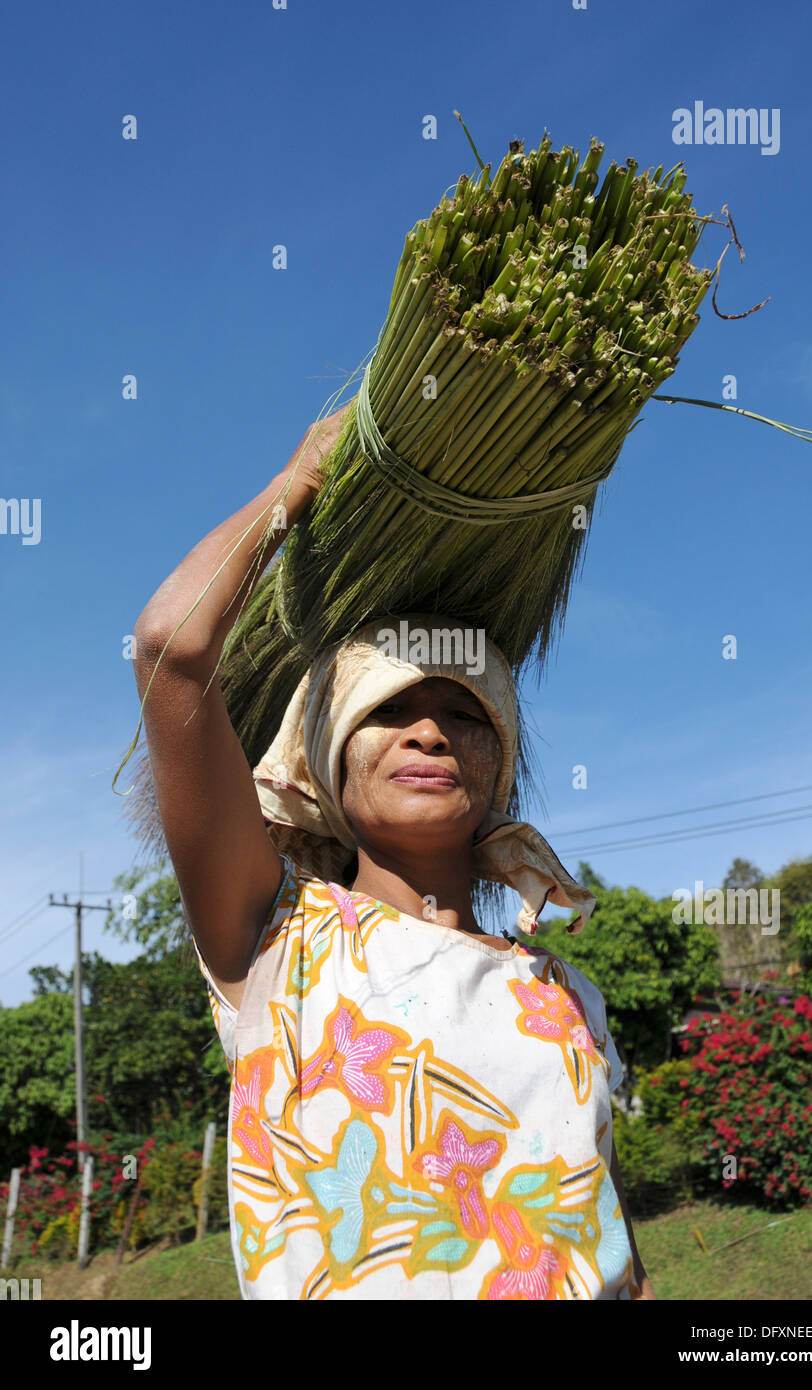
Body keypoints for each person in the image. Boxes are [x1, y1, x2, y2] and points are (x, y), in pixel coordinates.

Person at [132, 406, 657, 1301]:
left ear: (498, 768)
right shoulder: (277, 942)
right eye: (388, 711)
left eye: (465, 715)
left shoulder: (567, 997)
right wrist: (293, 485)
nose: (428, 733)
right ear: (326, 767)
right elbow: (170, 652)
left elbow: (612, 1252)